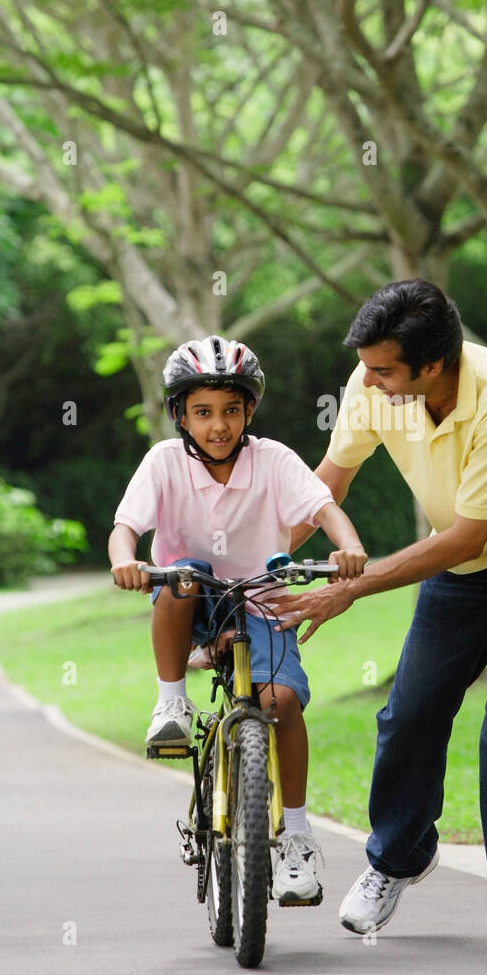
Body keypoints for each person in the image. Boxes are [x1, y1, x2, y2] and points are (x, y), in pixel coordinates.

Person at [270, 281, 487, 951]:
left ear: (433, 364)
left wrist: (348, 590)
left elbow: (463, 541)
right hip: (464, 544)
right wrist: (258, 564)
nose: (367, 380)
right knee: (410, 707)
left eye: (384, 369)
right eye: (366, 365)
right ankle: (398, 856)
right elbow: (323, 487)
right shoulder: (375, 386)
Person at [108, 335, 367, 906]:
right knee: (183, 573)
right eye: (202, 412)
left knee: (280, 703)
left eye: (230, 410)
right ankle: (171, 703)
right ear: (181, 415)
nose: (218, 425)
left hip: (260, 604)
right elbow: (126, 527)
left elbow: (325, 509)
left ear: (249, 411)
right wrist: (125, 560)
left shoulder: (273, 460)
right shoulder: (163, 462)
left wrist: (348, 550)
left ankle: (296, 835)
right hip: (193, 604)